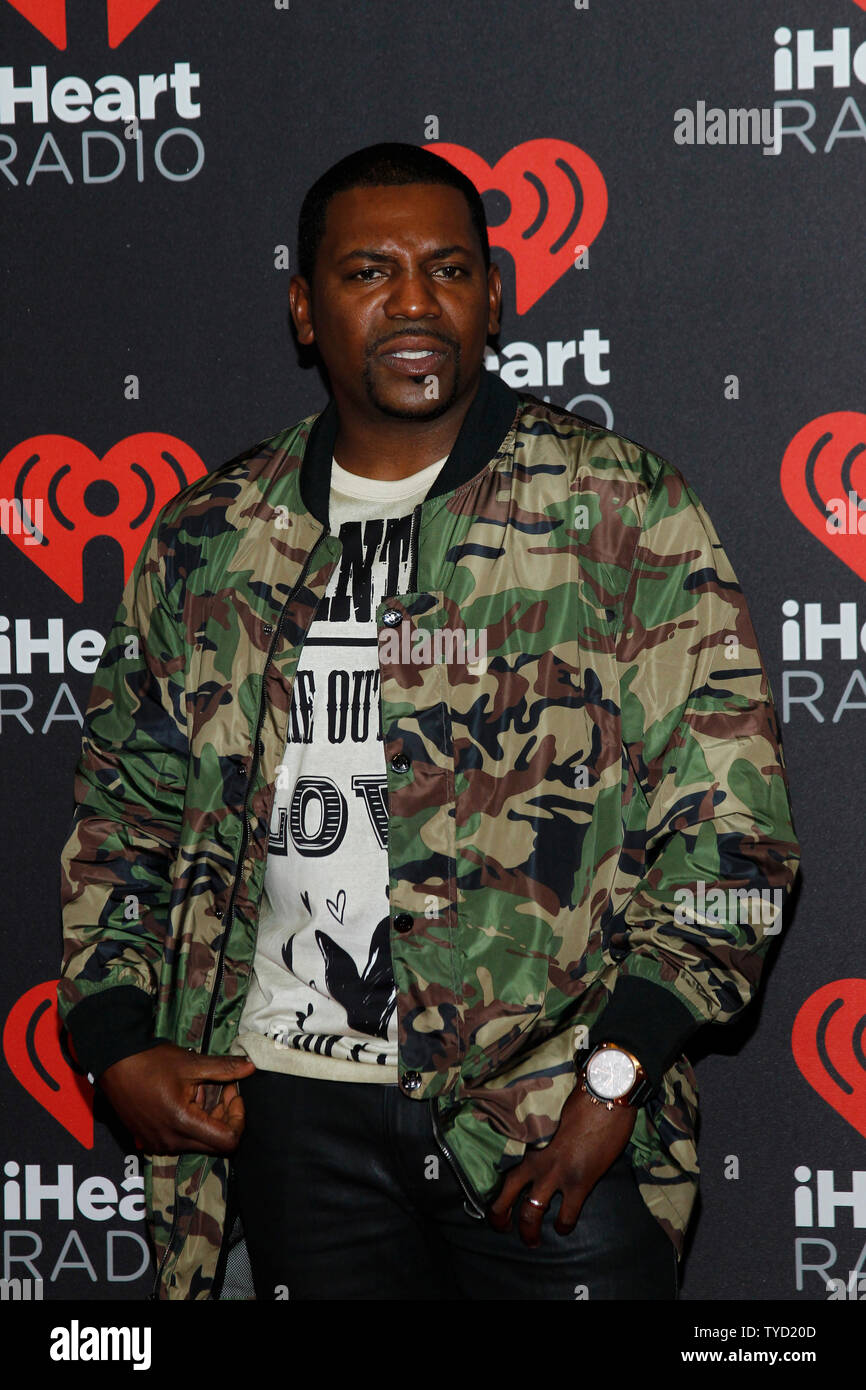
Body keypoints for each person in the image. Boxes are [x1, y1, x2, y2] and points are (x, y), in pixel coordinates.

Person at [58, 141, 800, 1302]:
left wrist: (615, 1078)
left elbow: (738, 850)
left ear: (492, 297)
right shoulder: (211, 533)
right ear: (305, 310)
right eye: (367, 272)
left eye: (447, 267)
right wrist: (112, 1038)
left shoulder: (618, 510)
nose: (413, 299)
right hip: (285, 1112)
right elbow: (124, 812)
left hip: (551, 1114)